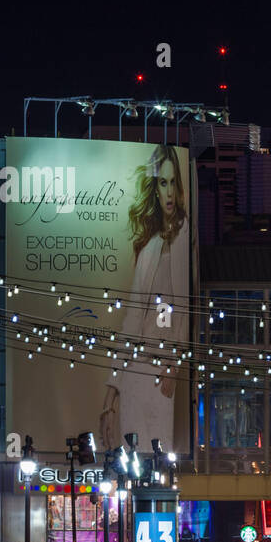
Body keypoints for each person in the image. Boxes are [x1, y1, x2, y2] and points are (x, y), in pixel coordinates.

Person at [98, 144, 189, 451]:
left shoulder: (183, 236)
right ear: (154, 188)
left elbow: (186, 309)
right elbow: (132, 319)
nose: (169, 192)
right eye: (162, 183)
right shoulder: (149, 246)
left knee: (159, 462)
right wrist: (112, 392)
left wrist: (173, 369)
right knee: (131, 466)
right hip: (135, 374)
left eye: (173, 182)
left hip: (161, 373)